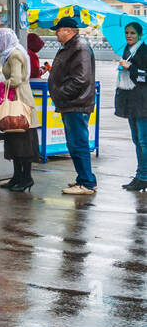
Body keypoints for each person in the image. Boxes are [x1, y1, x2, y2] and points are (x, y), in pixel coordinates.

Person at [48, 16, 98, 195]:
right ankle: (85, 178)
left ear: (69, 31)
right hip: (71, 103)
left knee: (78, 144)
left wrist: (60, 93)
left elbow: (80, 79)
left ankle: (86, 183)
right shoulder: (71, 47)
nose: (56, 34)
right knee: (75, 143)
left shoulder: (79, 48)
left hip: (75, 103)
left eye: (59, 30)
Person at [0, 28, 40, 192]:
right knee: (15, 141)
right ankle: (17, 177)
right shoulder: (11, 53)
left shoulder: (14, 55)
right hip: (15, 100)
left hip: (19, 101)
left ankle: (26, 178)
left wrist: (0, 83)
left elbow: (16, 79)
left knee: (23, 141)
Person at [113, 20, 147, 191]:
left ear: (140, 35)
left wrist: (131, 68)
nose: (129, 36)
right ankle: (140, 175)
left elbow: (144, 76)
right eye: (127, 33)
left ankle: (144, 176)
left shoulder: (144, 51)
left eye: (132, 33)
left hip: (143, 103)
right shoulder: (128, 50)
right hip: (131, 102)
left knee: (143, 140)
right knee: (136, 140)